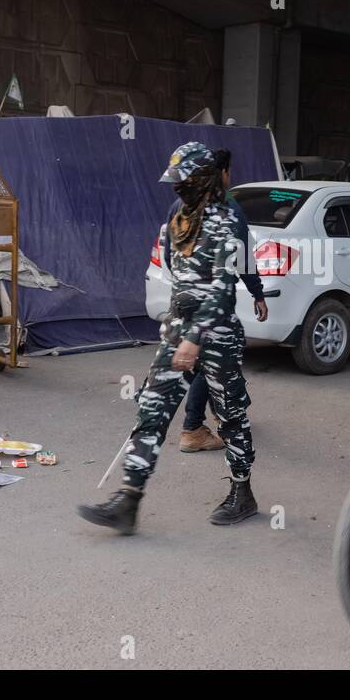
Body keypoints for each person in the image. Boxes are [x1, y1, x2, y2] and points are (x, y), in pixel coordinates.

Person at [80, 142, 259, 535]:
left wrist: (195, 337)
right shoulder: (178, 217)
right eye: (175, 182)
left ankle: (242, 492)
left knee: (230, 417)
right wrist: (178, 327)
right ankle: (128, 499)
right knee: (151, 408)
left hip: (217, 333)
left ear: (204, 179)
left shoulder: (228, 220)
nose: (178, 189)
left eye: (185, 181)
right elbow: (178, 275)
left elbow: (223, 289)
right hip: (180, 329)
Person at [171, 159, 268, 454]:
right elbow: (243, 257)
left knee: (205, 357)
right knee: (209, 358)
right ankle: (193, 428)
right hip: (212, 301)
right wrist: (257, 293)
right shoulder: (230, 211)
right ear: (223, 174)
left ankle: (221, 411)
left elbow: (168, 249)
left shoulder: (179, 205)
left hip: (182, 296)